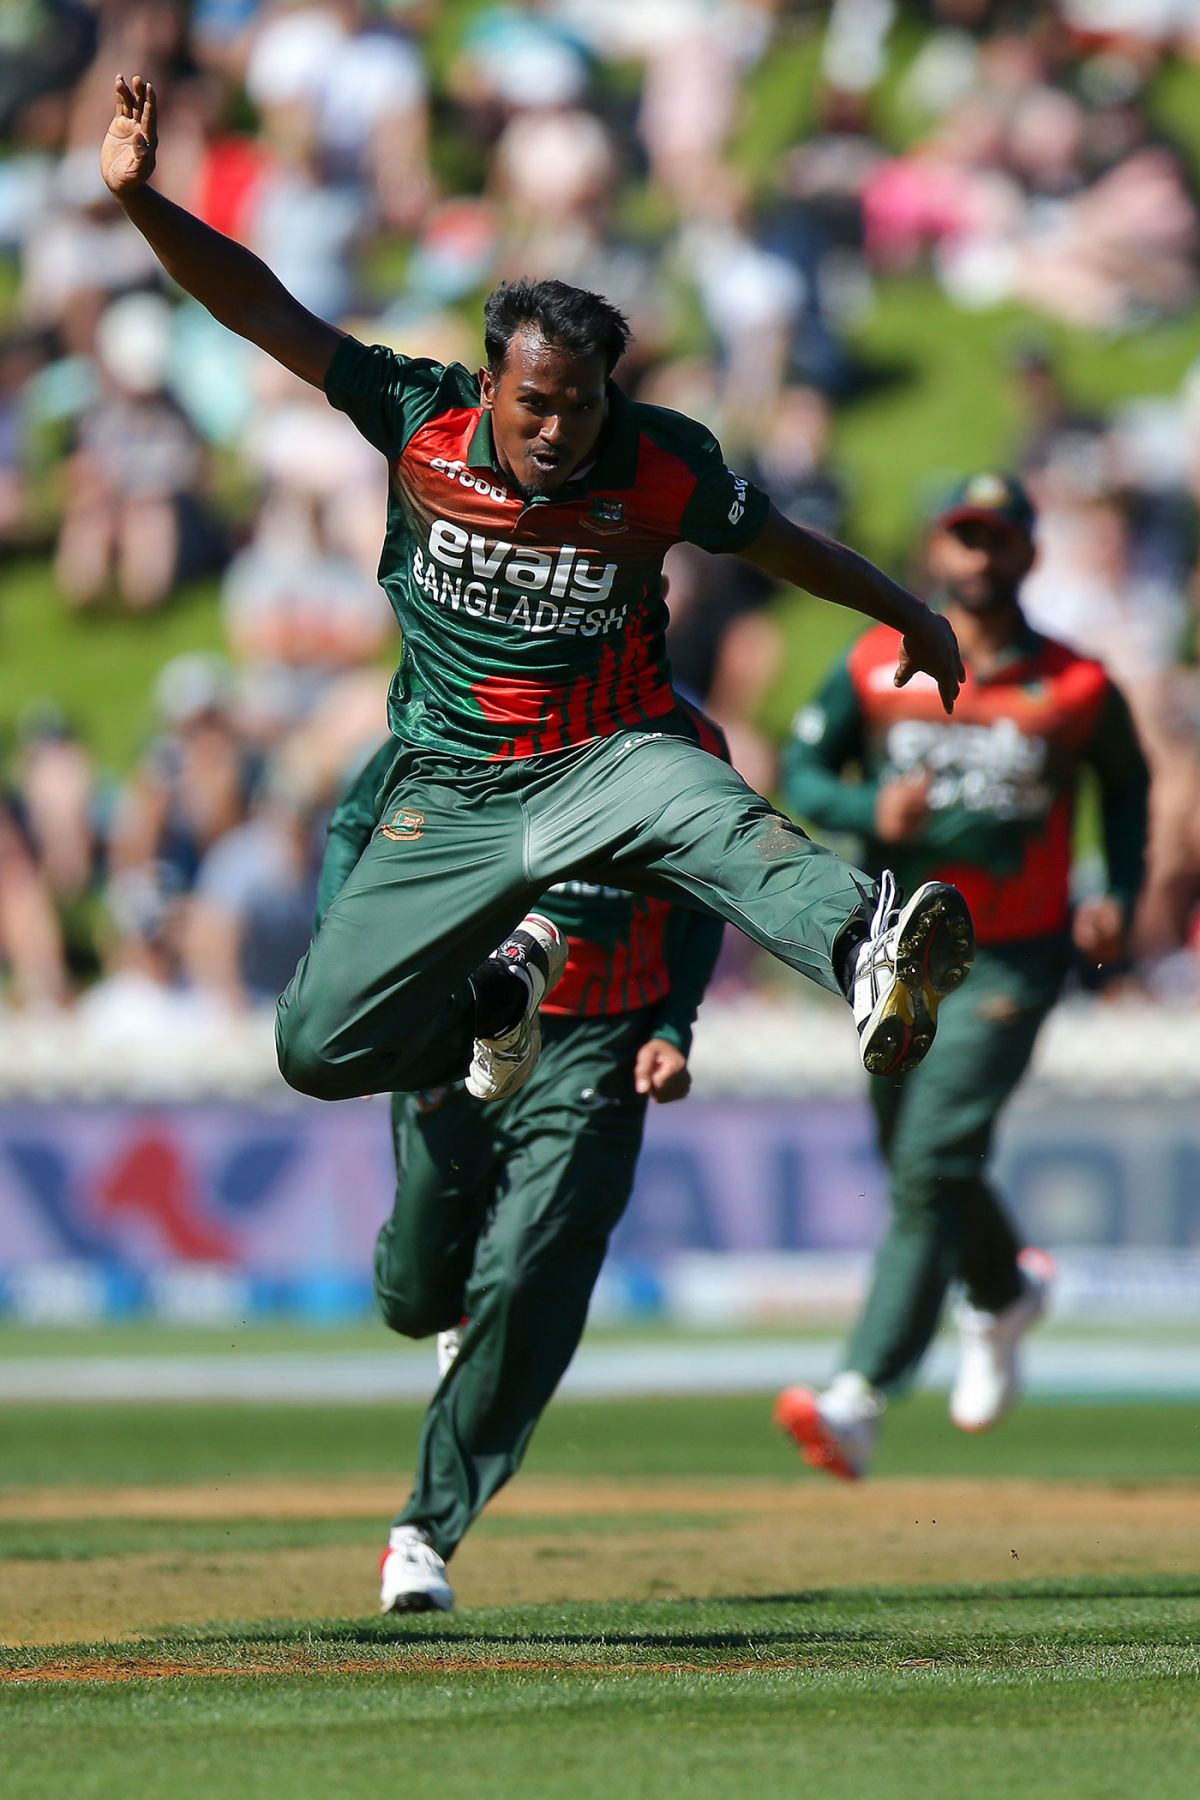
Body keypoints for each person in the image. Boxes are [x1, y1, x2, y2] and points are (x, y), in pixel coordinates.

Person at [101, 73, 975, 1127]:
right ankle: (494, 1005)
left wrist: (909, 614)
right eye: (534, 405)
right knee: (316, 1048)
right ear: (487, 388)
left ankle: (868, 947)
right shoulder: (417, 418)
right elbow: (258, 307)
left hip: (612, 756)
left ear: (613, 394)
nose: (558, 431)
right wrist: (142, 201)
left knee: (726, 818)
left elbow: (786, 545)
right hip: (453, 783)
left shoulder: (662, 464)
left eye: (582, 405)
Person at [774, 471, 1149, 1479]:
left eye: (998, 540)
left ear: (1029, 554)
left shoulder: (1075, 683)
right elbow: (801, 773)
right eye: (963, 538)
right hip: (896, 958)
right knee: (915, 1154)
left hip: (1010, 957)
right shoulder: (874, 663)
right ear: (937, 549)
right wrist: (864, 812)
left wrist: (1119, 887)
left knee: (931, 1160)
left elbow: (1126, 786)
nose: (979, 558)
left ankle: (859, 1393)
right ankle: (1003, 1289)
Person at [317, 720, 727, 1613]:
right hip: (458, 1014)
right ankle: (461, 1316)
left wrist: (673, 1024)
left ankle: (423, 1533)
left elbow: (708, 889)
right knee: (413, 1298)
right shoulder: (464, 709)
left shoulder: (687, 739)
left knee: (527, 1271)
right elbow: (353, 825)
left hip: (600, 1039)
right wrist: (350, 967)